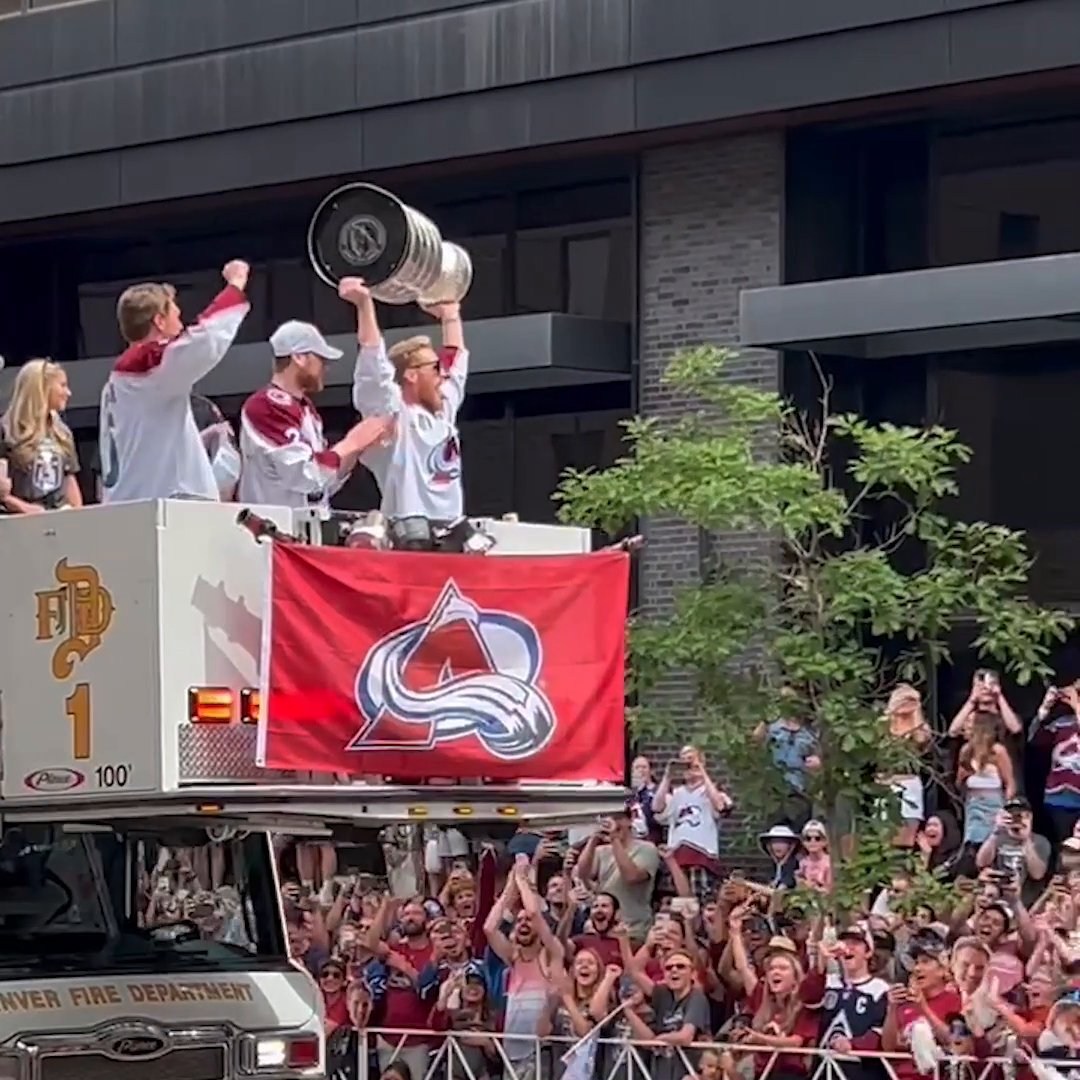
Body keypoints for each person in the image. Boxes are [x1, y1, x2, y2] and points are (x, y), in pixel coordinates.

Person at [100, 260, 250, 502]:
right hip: (160, 505)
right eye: (177, 318)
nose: (181, 328)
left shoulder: (121, 380)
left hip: (133, 499)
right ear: (159, 321)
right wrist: (236, 284)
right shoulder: (146, 366)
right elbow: (205, 338)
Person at [341, 276, 469, 550]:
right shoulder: (394, 419)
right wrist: (364, 305)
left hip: (453, 542)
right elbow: (375, 370)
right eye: (434, 369)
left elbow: (457, 365)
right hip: (409, 544)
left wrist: (450, 316)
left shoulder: (442, 412)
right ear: (411, 375)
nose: (442, 374)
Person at [238, 320, 393, 511]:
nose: (325, 368)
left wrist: (359, 446)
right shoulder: (266, 405)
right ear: (299, 357)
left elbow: (323, 485)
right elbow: (304, 475)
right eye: (321, 359)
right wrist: (352, 442)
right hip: (272, 529)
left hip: (305, 528)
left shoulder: (307, 410)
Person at [0, 358, 81, 513]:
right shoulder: (6, 430)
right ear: (41, 388)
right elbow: (2, 493)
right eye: (62, 385)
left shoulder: (62, 432)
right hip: (21, 523)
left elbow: (70, 480)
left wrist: (78, 518)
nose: (68, 393)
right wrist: (25, 508)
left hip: (61, 517)